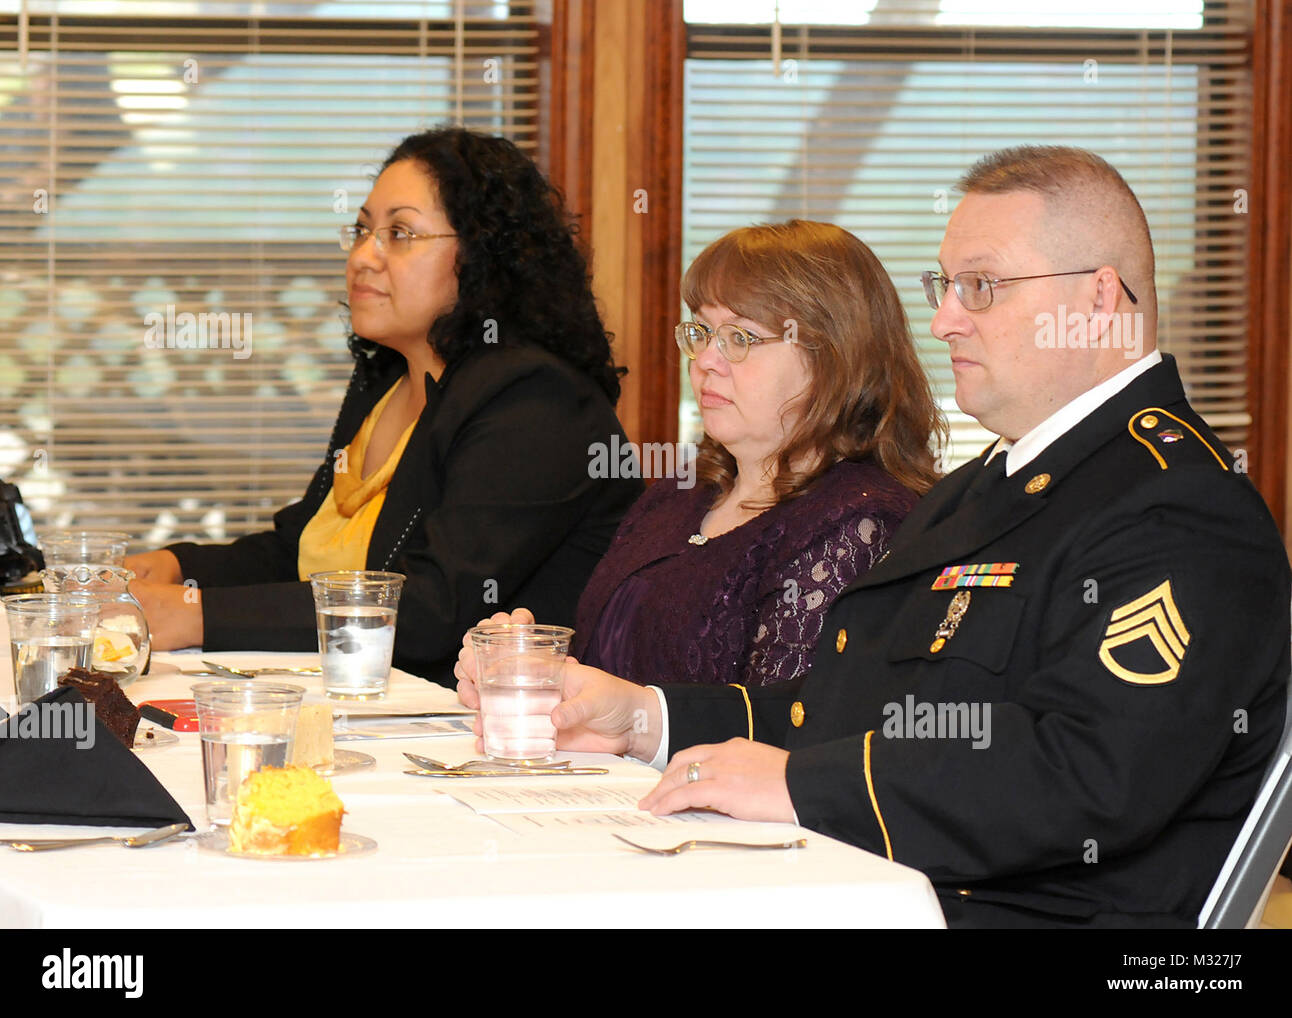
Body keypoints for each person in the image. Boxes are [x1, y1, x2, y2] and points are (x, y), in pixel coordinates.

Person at [457, 146, 1292, 928]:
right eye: (944, 287)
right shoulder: (985, 490)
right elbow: (849, 707)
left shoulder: (1177, 507)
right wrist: (646, 718)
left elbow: (1085, 778)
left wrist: (800, 787)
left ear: (1098, 300)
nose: (946, 323)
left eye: (983, 287)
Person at [128, 128, 642, 683]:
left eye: (400, 233)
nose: (363, 257)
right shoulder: (387, 382)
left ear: (481, 254)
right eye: (362, 230)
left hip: (506, 737)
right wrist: (175, 569)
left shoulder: (536, 401)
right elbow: (300, 553)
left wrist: (193, 615)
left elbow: (429, 611)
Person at [572, 221, 943, 687]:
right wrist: (538, 670)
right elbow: (610, 662)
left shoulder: (862, 522)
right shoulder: (682, 490)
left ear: (833, 358)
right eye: (702, 333)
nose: (706, 359)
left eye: (740, 338)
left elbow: (782, 728)